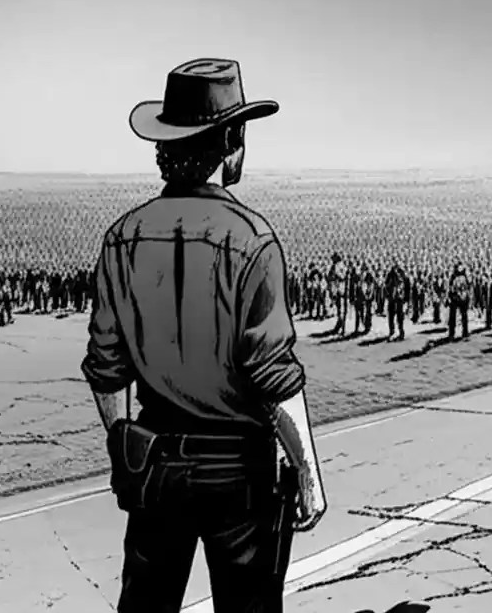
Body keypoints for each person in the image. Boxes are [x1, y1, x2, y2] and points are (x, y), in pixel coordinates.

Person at [81, 58, 331, 611]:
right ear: (232, 141)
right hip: (238, 473)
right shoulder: (253, 241)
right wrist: (309, 475)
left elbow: (105, 366)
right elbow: (274, 379)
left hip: (156, 465)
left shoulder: (121, 237)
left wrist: (126, 445)